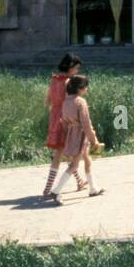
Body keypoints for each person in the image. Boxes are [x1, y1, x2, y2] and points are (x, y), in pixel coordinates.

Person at [48, 75, 105, 204]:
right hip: (81, 135)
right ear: (80, 88)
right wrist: (93, 140)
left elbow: (64, 122)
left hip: (71, 134)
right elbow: (86, 123)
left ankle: (93, 188)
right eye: (86, 86)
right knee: (74, 165)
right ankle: (56, 191)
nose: (87, 89)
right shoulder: (80, 102)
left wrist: (70, 134)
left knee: (87, 159)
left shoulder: (66, 101)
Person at [43, 53, 84, 197]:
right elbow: (70, 102)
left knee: (66, 151)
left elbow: (47, 101)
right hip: (65, 119)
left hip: (54, 117)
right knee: (61, 153)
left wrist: (55, 107)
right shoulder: (68, 82)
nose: (77, 71)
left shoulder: (54, 80)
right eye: (76, 68)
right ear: (70, 66)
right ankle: (48, 189)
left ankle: (79, 181)